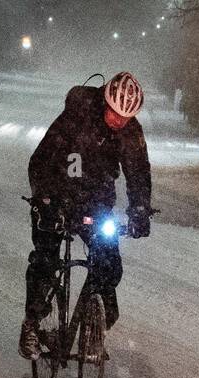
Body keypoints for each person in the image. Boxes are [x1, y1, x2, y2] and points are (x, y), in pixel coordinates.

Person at [20, 71, 152, 360]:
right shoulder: (77, 115)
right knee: (46, 257)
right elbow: (41, 159)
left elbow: (138, 173)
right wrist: (44, 199)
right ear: (105, 102)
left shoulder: (129, 131)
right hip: (56, 194)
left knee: (109, 265)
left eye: (126, 118)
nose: (119, 121)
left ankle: (96, 325)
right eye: (115, 114)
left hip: (95, 201)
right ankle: (32, 324)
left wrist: (140, 210)